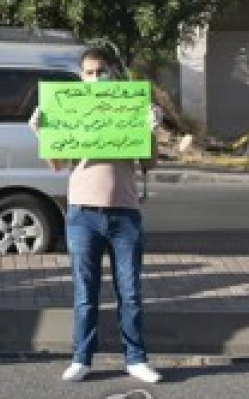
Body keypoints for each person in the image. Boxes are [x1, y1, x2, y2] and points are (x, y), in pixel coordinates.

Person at [33, 47, 162, 384]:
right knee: (84, 292)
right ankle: (82, 358)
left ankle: (136, 358)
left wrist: (151, 129)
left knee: (130, 291)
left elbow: (148, 163)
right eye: (88, 72)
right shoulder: (73, 109)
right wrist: (42, 133)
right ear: (80, 76)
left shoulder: (129, 107)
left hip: (125, 212)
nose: (95, 78)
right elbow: (57, 164)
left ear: (114, 72)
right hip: (82, 213)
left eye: (101, 71)